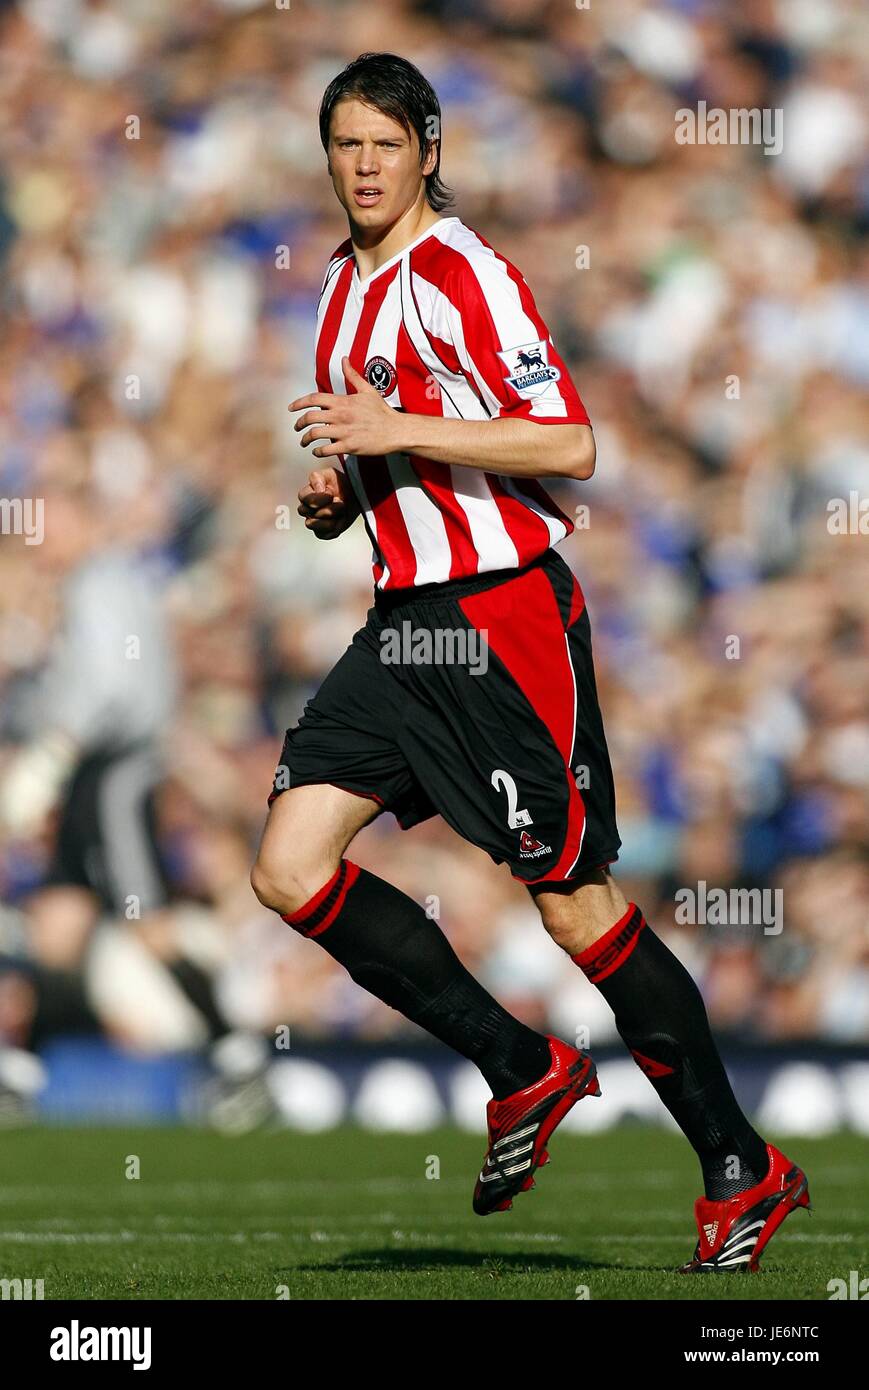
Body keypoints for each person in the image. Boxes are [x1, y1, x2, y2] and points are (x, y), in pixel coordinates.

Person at [251, 52, 810, 1272]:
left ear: (428, 151)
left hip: (501, 618)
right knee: (288, 867)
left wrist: (398, 427)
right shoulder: (342, 290)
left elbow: (571, 441)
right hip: (405, 623)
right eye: (344, 144)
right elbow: (378, 461)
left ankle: (737, 1161)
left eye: (384, 145)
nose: (361, 166)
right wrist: (339, 496)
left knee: (571, 904)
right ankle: (521, 1065)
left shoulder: (468, 273)